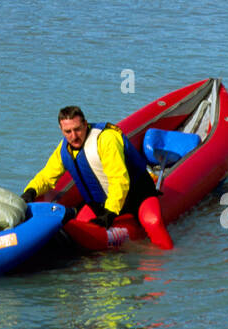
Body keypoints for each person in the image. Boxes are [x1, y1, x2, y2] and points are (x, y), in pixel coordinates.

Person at [21, 106, 172, 248]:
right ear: (61, 130)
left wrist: (110, 213)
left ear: (85, 124)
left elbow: (119, 179)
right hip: (99, 203)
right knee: (80, 227)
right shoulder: (64, 149)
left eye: (77, 129)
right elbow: (47, 175)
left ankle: (166, 261)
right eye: (68, 131)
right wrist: (31, 191)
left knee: (154, 222)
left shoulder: (106, 140)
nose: (73, 136)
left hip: (137, 196)